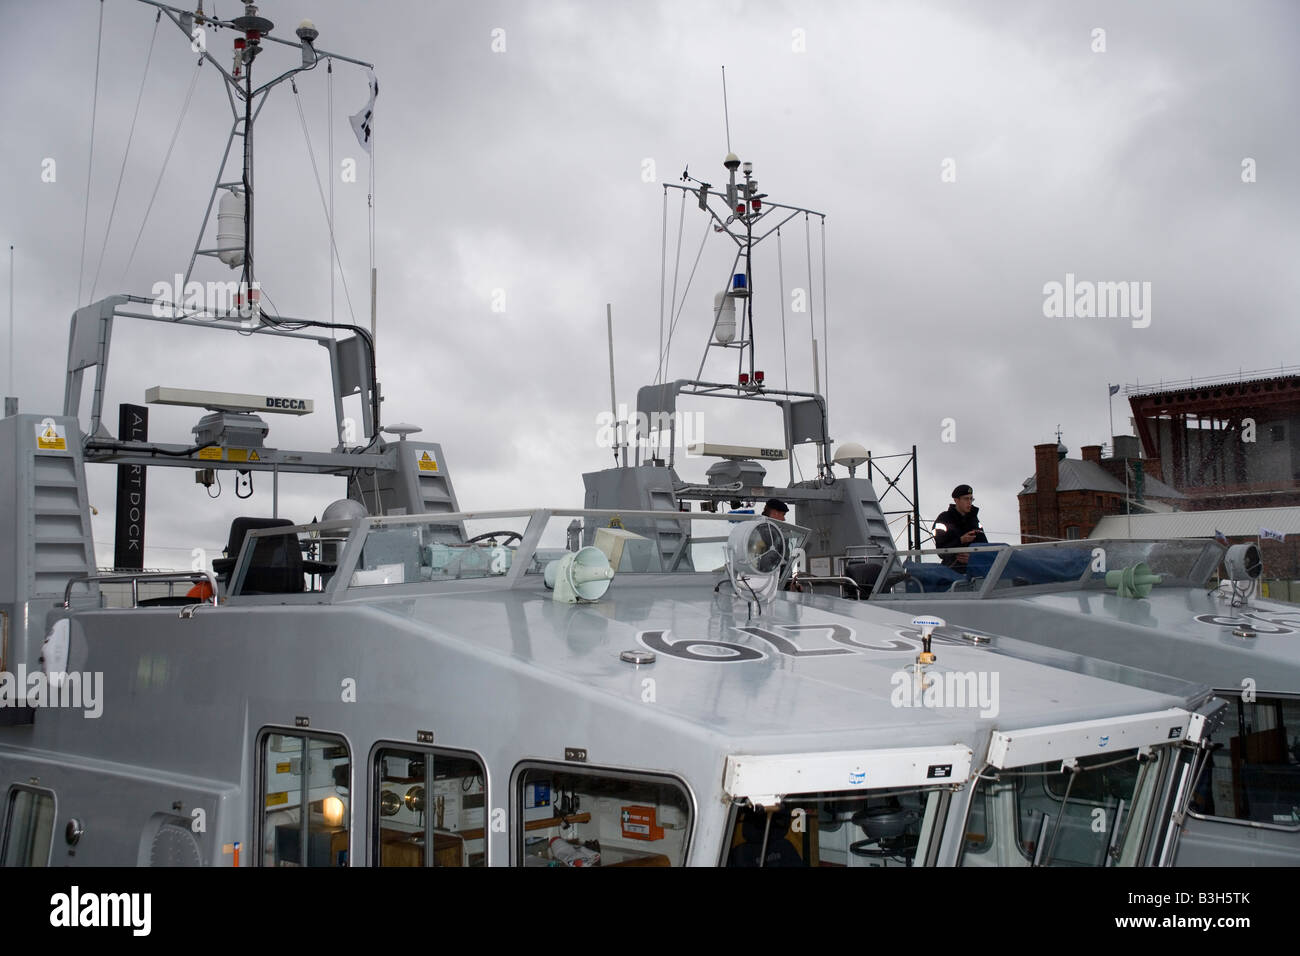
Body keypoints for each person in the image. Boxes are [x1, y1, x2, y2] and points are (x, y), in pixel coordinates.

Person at [933, 484, 987, 568]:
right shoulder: (944, 519)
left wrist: (973, 558)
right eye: (966, 499)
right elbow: (941, 551)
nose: (969, 502)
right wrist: (961, 540)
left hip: (975, 569)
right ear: (956, 500)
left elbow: (985, 546)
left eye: (971, 499)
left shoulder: (974, 520)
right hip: (952, 569)